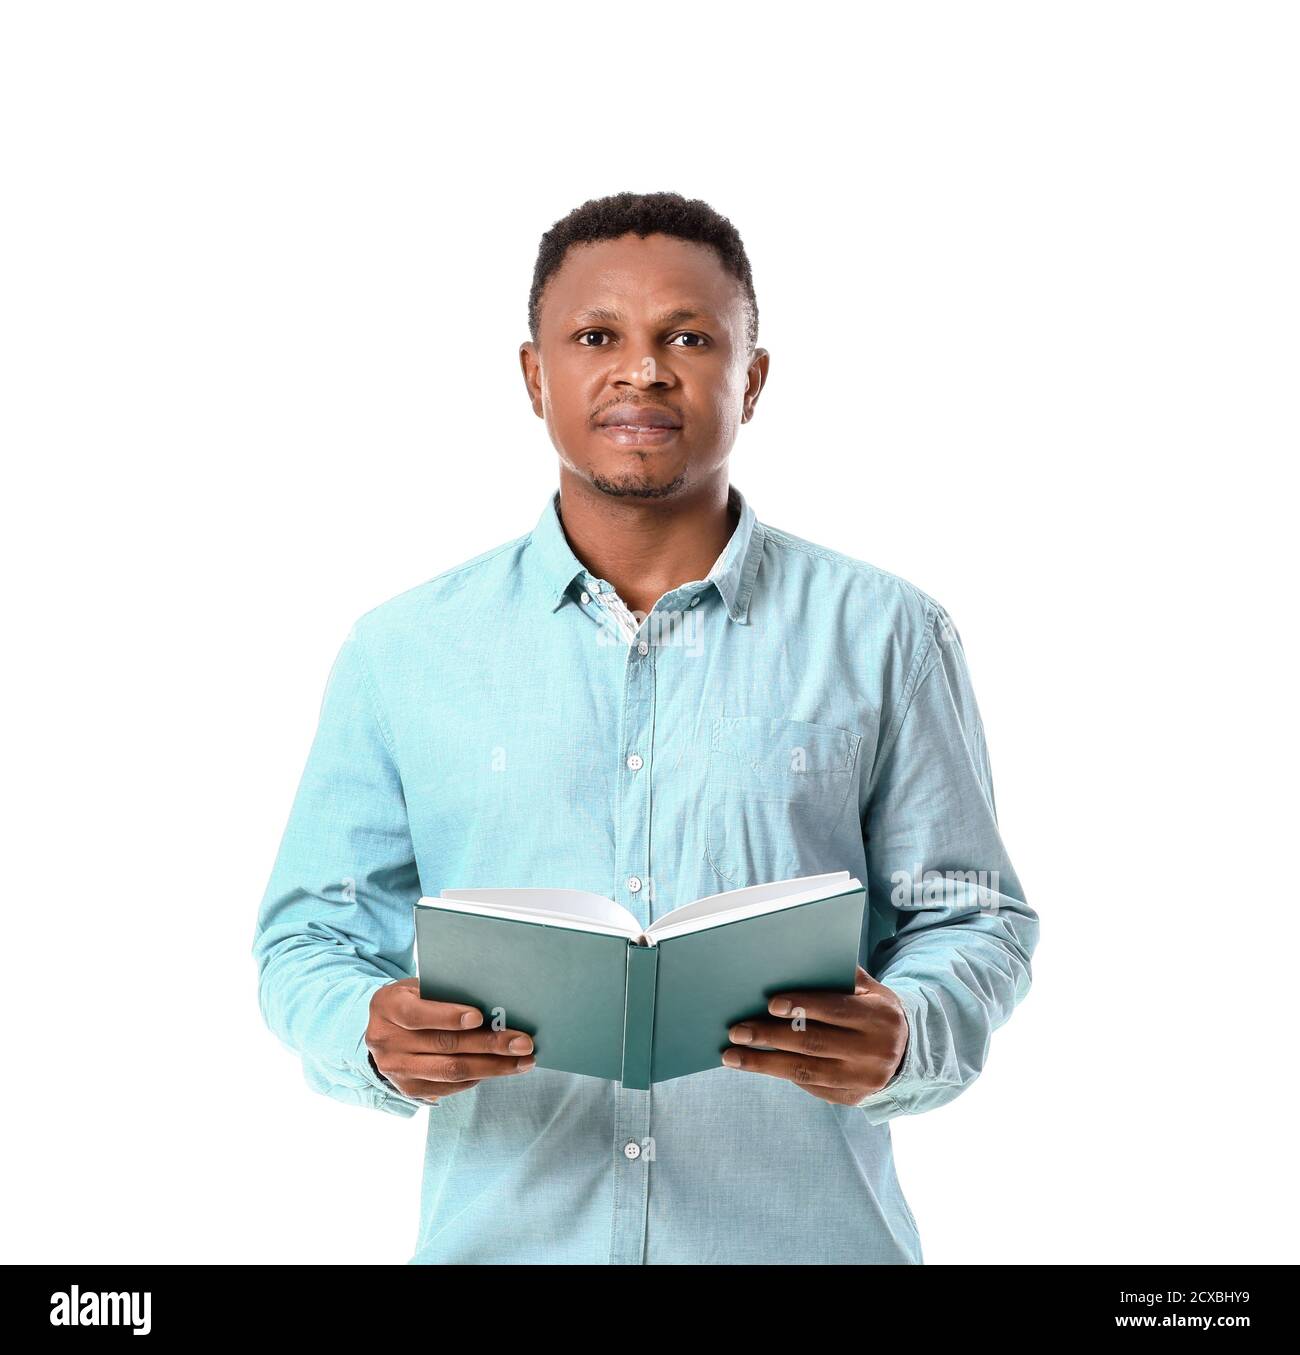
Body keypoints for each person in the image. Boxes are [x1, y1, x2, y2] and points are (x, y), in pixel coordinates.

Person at [252, 191, 1040, 1265]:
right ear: (534, 375)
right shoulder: (402, 651)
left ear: (751, 377)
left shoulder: (889, 633)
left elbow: (971, 913)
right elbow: (309, 934)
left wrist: (907, 1028)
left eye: (688, 336)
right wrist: (369, 1031)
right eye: (595, 337)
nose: (643, 370)